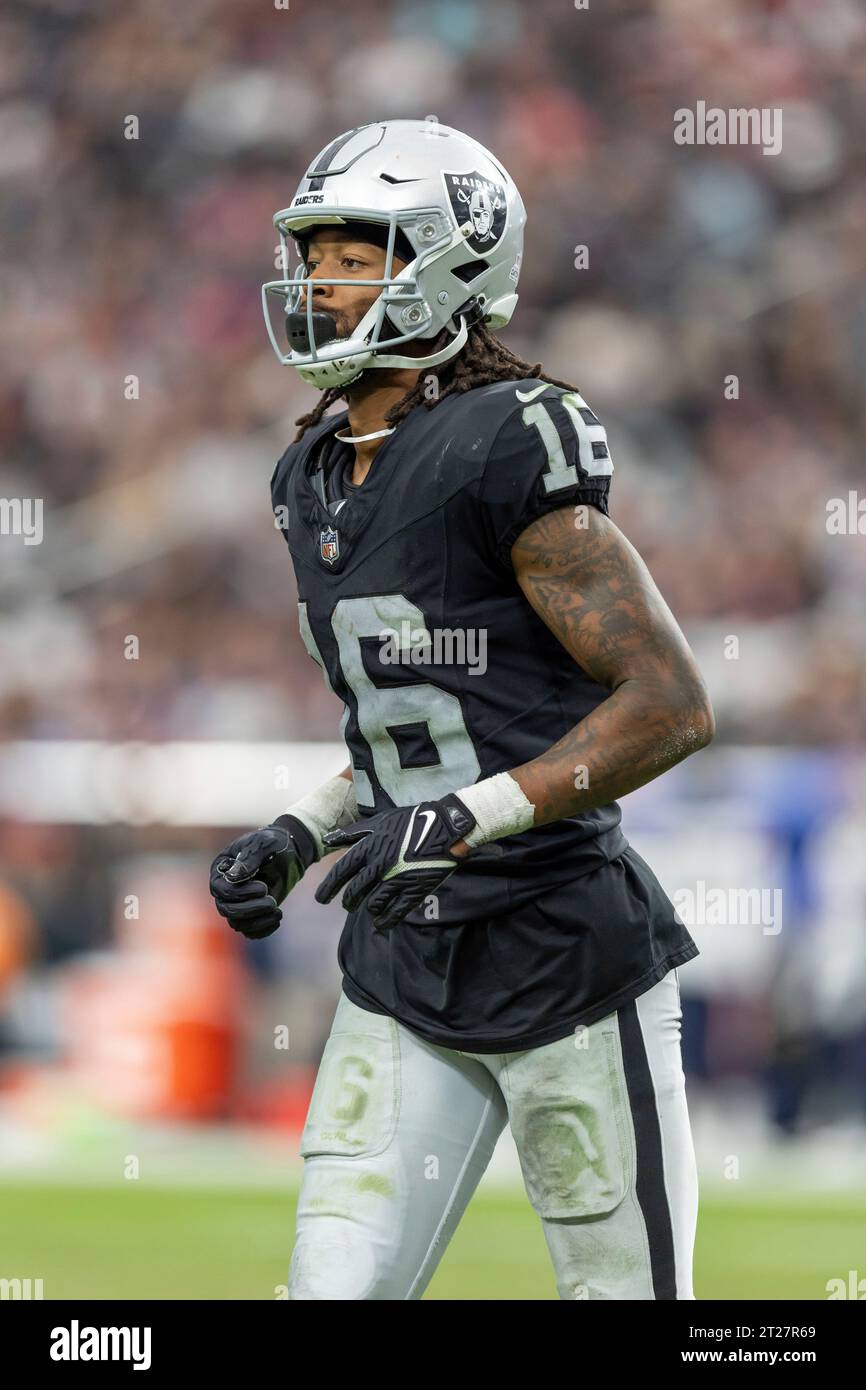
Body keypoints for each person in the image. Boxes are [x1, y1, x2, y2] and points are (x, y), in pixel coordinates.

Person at [209, 119, 714, 1300]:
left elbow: (669, 704)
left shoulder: (509, 434)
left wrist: (460, 819)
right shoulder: (311, 471)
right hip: (402, 959)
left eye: (352, 254)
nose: (318, 283)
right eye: (314, 255)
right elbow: (411, 728)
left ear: (446, 261)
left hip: (562, 955)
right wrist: (300, 832)